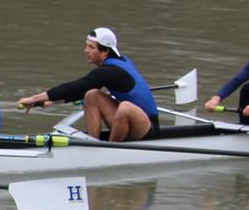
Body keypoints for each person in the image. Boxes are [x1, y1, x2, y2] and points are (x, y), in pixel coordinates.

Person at [16, 27, 157, 142]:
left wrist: (34, 98)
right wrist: (48, 101)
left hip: (147, 128)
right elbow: (81, 90)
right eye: (86, 46)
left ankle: (111, 149)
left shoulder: (110, 71)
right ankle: (93, 143)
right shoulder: (120, 61)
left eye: (91, 47)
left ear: (105, 52)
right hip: (133, 121)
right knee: (91, 95)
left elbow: (74, 87)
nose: (86, 50)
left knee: (125, 107)